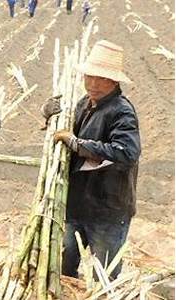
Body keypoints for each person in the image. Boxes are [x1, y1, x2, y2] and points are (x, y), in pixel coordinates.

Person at [44, 40, 140, 279]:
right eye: (89, 77)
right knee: (63, 270)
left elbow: (127, 152)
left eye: (101, 78)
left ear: (114, 81)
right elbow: (62, 136)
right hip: (76, 204)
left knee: (104, 276)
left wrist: (79, 144)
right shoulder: (83, 104)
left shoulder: (122, 111)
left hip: (107, 209)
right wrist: (49, 117)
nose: (93, 84)